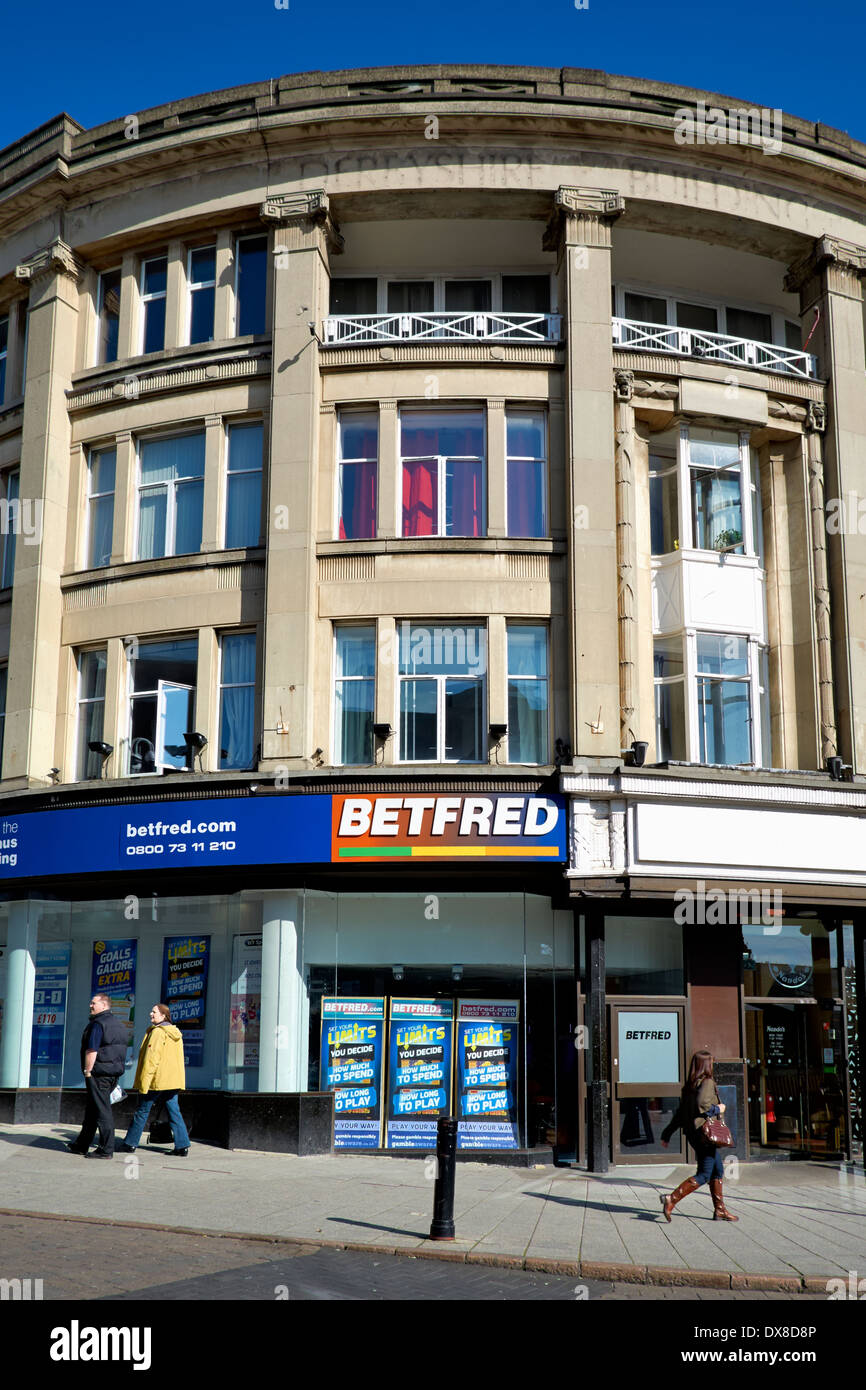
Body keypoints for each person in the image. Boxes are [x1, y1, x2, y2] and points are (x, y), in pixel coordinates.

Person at [659, 1049, 738, 1222]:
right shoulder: (707, 1082)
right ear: (707, 1065)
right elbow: (702, 1104)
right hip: (705, 1135)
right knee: (704, 1174)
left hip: (694, 1134)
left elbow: (681, 1113)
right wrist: (719, 1109)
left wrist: (667, 1133)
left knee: (717, 1170)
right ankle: (671, 1199)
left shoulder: (689, 1085)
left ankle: (720, 1210)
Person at [121, 1003, 191, 1156]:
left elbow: (151, 1060)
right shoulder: (175, 1033)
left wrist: (144, 1083)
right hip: (172, 1081)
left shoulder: (158, 1032)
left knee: (142, 1111)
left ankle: (130, 1143)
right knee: (174, 1112)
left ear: (163, 1015)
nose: (150, 1014)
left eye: (154, 1012)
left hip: (157, 1081)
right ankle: (182, 1146)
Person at [67, 993, 129, 1159]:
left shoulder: (97, 1024)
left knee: (102, 1110)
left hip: (98, 1073)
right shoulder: (119, 1025)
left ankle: (106, 1149)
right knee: (93, 1109)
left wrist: (88, 1071)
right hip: (112, 1073)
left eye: (94, 1003)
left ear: (104, 1005)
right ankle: (81, 1144)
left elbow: (92, 1050)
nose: (90, 1005)